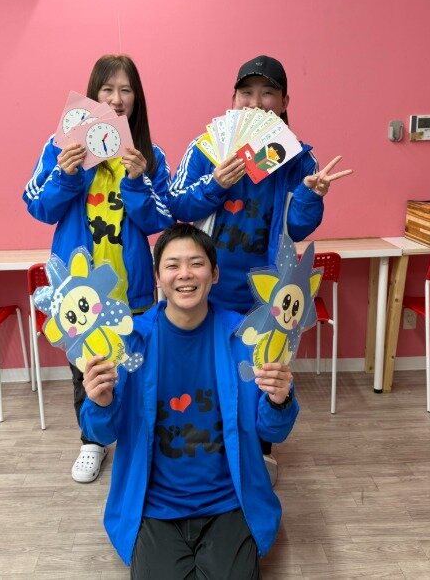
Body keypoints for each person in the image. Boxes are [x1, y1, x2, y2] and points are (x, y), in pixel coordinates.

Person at [168, 55, 351, 483]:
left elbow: (299, 226)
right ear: (233, 99)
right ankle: (212, 449)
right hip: (208, 286)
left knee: (264, 369)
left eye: (267, 93)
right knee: (207, 370)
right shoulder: (206, 147)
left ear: (285, 102)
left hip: (267, 289)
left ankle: (259, 449)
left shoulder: (297, 158)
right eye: (246, 93)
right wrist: (216, 182)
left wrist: (310, 195)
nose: (255, 102)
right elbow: (178, 205)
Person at [80, 223, 299, 578]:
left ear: (215, 274)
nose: (185, 274)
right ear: (157, 277)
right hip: (154, 506)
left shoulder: (246, 339)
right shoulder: (129, 343)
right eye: (172, 265)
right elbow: (101, 433)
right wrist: (101, 403)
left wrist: (279, 400)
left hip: (229, 501)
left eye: (196, 263)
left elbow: (274, 430)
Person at [23, 54, 172, 483]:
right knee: (86, 370)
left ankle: (137, 441)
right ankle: (91, 441)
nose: (117, 98)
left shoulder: (150, 154)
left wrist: (137, 181)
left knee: (135, 367)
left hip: (133, 289)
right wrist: (65, 174)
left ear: (137, 98)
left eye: (126, 90)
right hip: (78, 290)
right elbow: (38, 206)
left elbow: (161, 218)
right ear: (93, 95)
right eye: (108, 89)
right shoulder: (59, 147)